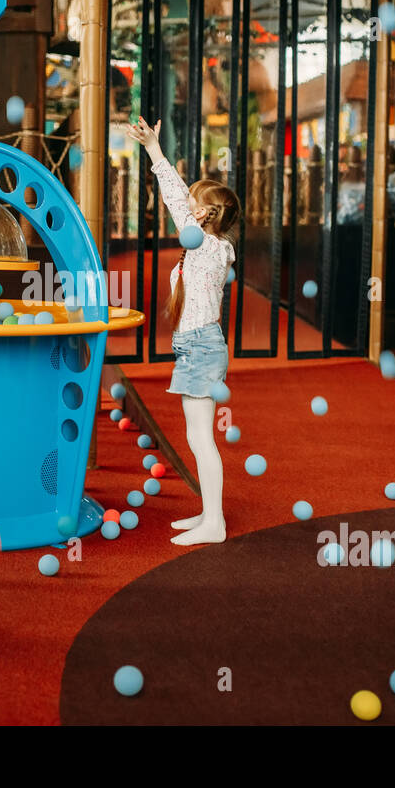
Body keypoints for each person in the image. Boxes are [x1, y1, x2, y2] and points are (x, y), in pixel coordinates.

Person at [124, 116, 241, 546]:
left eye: (194, 201)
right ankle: (209, 514)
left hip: (202, 347)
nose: (184, 202)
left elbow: (175, 199)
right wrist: (154, 150)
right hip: (195, 346)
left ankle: (215, 523)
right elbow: (179, 200)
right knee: (197, 436)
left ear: (205, 214)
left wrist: (155, 152)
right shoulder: (203, 247)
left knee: (200, 437)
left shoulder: (212, 249)